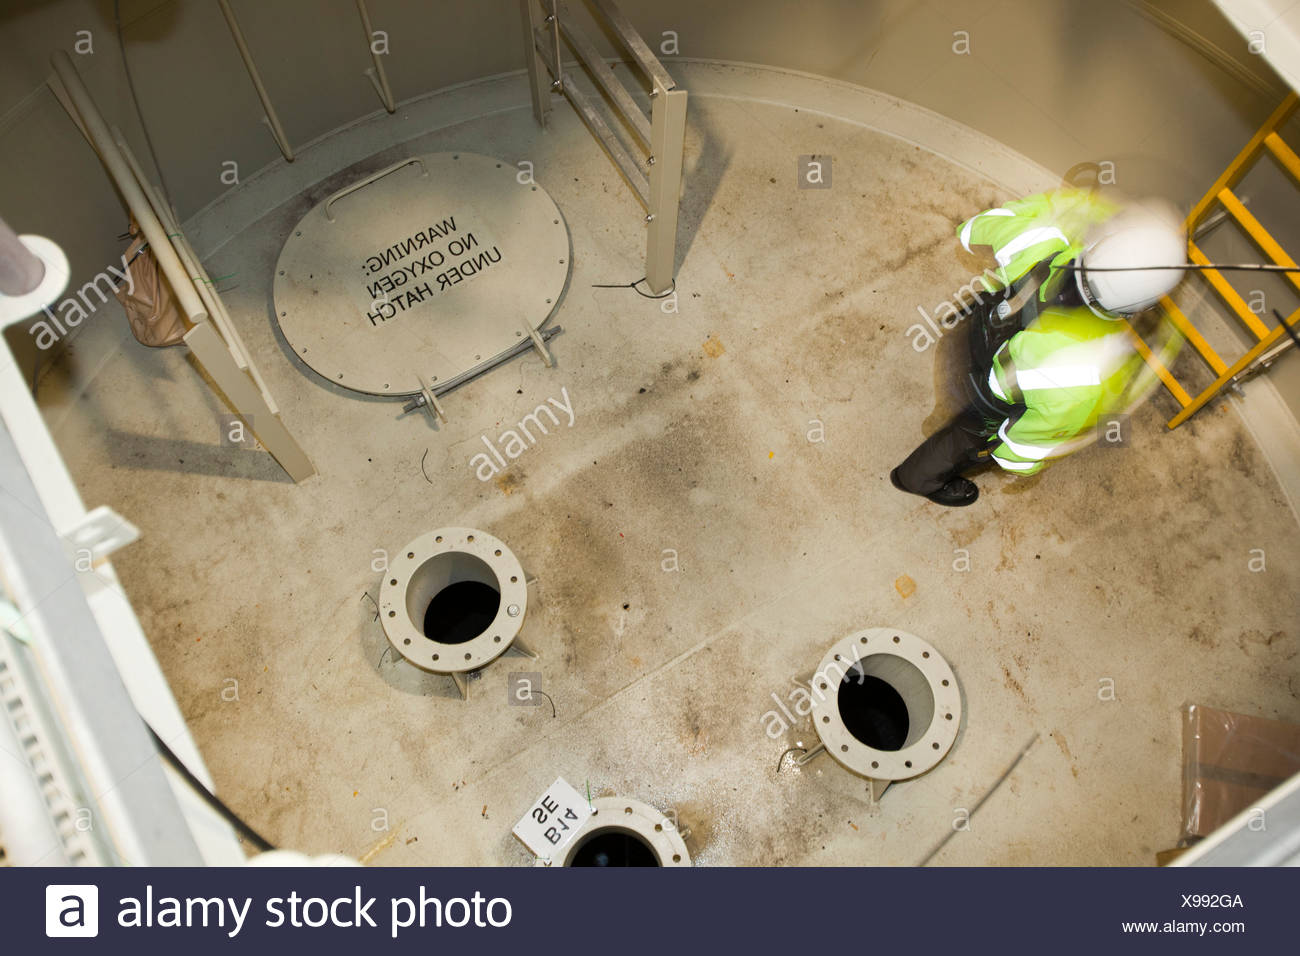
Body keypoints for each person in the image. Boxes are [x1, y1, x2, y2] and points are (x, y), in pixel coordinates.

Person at [890, 189, 1186, 506]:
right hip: (986, 395)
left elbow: (975, 229)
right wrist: (1006, 457)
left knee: (957, 394)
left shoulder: (1046, 234)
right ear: (1134, 309)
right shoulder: (1087, 372)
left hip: (969, 334)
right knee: (961, 439)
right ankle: (914, 478)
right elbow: (1022, 446)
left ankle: (943, 412)